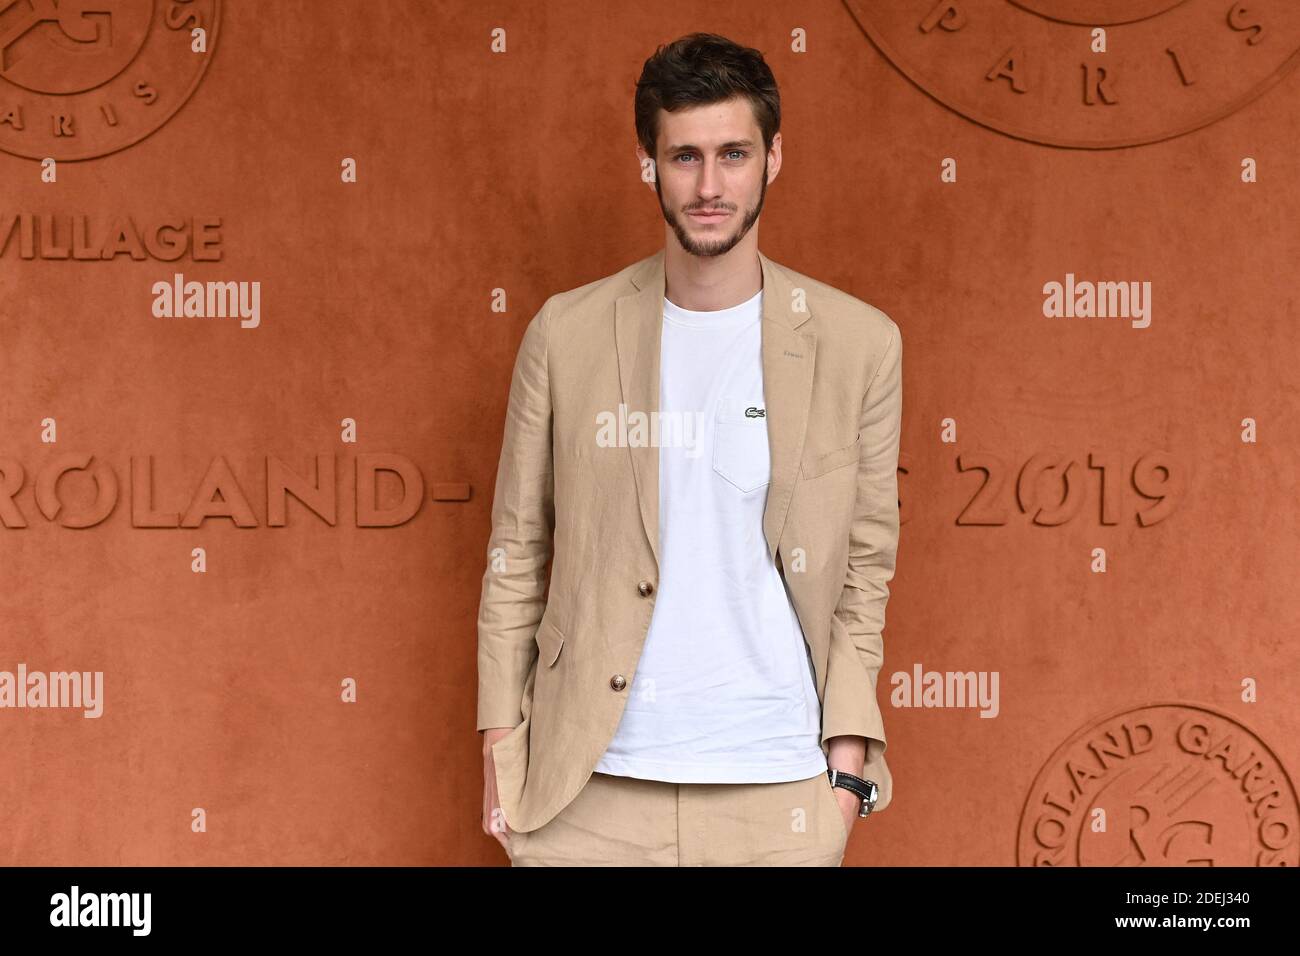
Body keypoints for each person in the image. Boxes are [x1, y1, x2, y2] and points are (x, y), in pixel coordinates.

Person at [477, 32, 903, 866]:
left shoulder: (860, 344)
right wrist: (501, 749)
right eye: (685, 157)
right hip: (585, 788)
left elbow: (865, 563)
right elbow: (516, 551)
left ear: (775, 157)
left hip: (780, 789)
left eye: (734, 153)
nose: (710, 187)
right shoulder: (567, 333)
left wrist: (846, 768)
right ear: (651, 163)